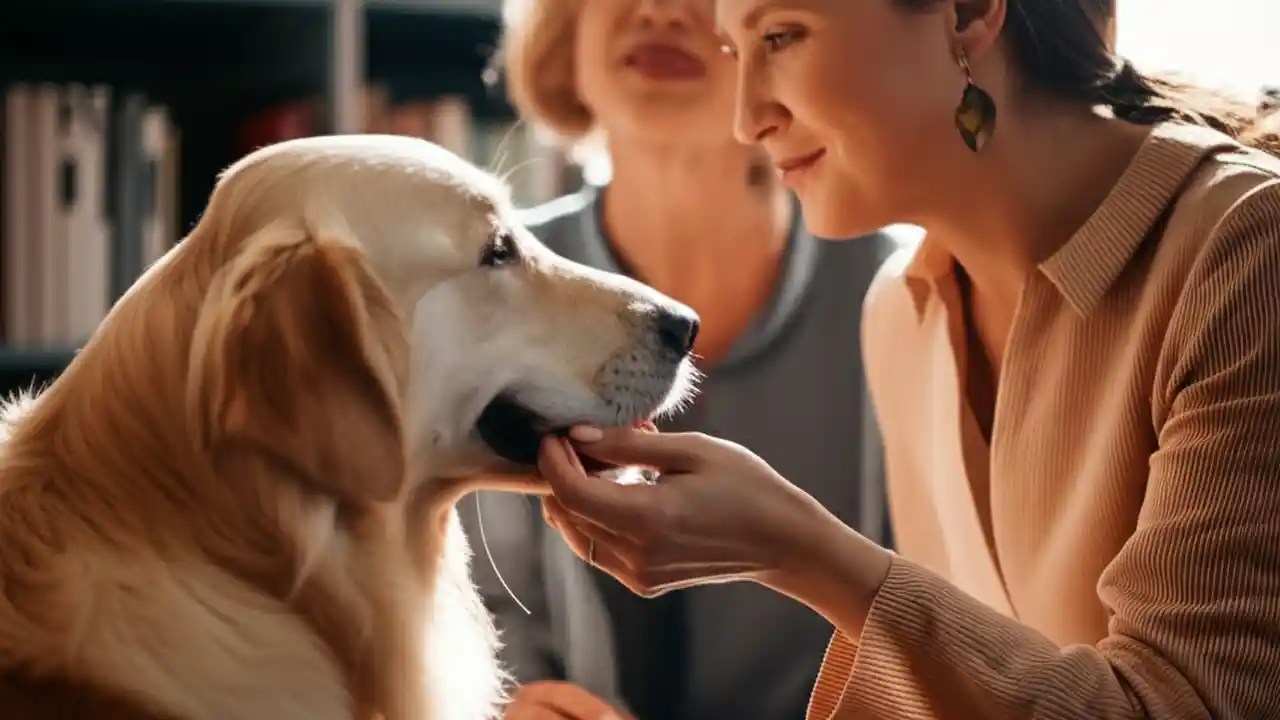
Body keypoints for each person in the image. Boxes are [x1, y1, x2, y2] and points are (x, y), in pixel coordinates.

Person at [535, 0, 1280, 718]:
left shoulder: (1245, 255)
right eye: (735, 51)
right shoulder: (900, 311)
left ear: (965, 11)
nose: (748, 116)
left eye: (782, 36)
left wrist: (803, 554)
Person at [457, 1, 902, 719]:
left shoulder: (903, 293)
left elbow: (942, 614)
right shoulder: (486, 284)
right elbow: (476, 607)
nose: (660, 10)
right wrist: (517, 704)